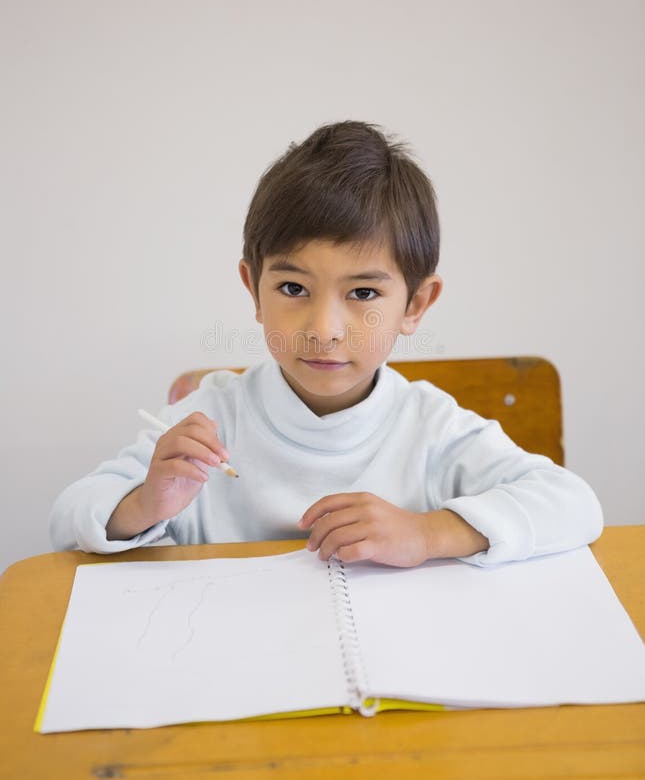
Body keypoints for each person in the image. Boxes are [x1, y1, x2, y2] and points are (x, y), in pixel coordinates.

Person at [49, 121, 603, 566]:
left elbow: (575, 504)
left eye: (363, 291)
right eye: (293, 287)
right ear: (254, 290)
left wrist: (429, 532)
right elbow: (68, 515)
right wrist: (146, 503)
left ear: (415, 305)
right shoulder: (211, 417)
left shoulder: (431, 428)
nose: (324, 328)